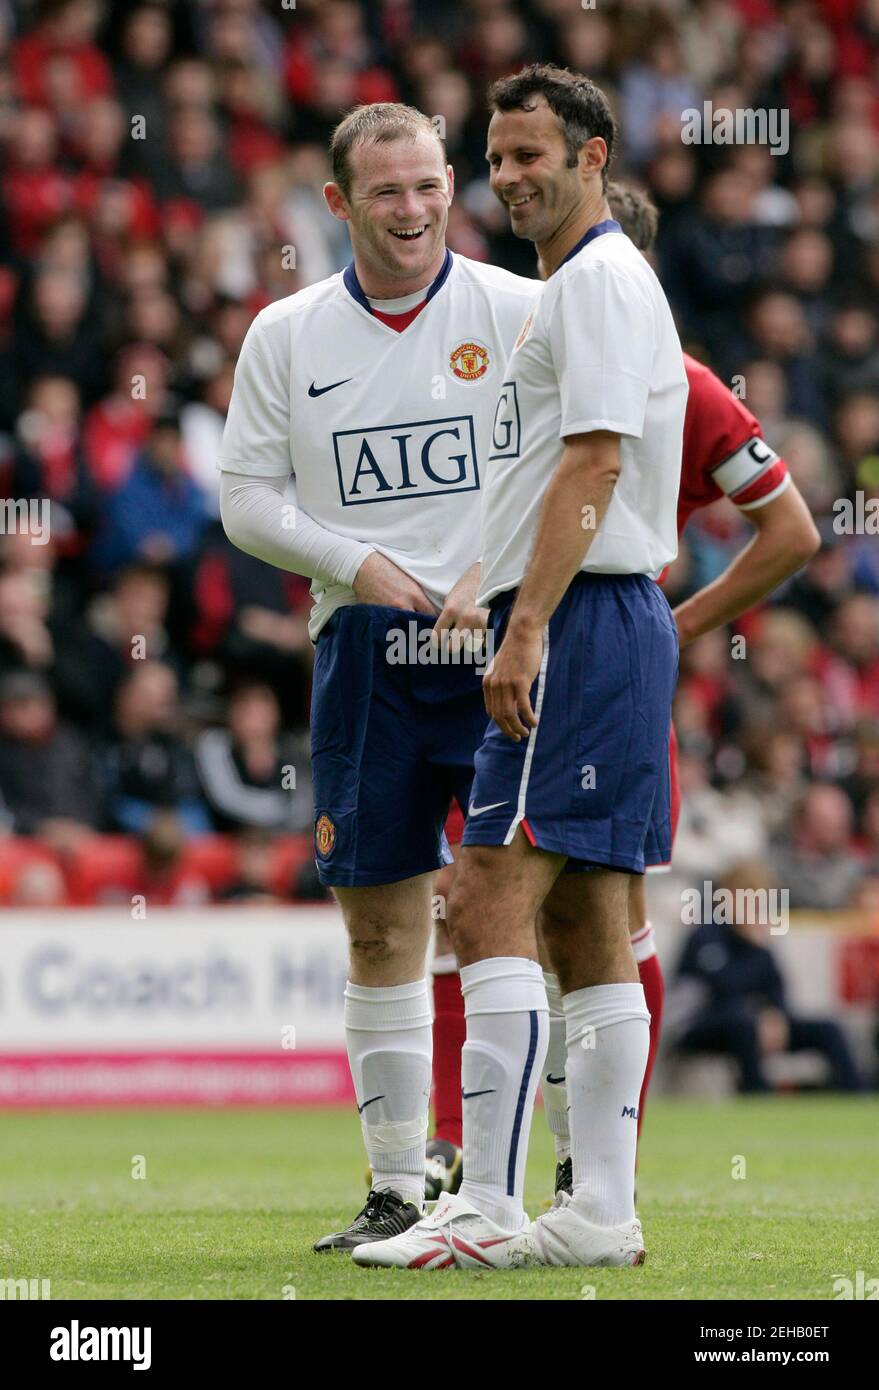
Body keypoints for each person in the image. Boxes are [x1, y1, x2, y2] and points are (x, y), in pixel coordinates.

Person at [425, 179, 821, 1202]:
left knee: (540, 905)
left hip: (594, 640)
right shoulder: (548, 359)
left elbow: (793, 530)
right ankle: (582, 1184)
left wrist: (680, 623)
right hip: (577, 634)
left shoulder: (672, 375)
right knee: (550, 913)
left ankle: (538, 1181)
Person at [355, 63, 688, 1271]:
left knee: (485, 892)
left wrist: (528, 621)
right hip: (607, 611)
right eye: (494, 159)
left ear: (594, 154)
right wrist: (487, 580)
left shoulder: (596, 282)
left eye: (531, 155)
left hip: (585, 618)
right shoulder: (587, 286)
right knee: (595, 919)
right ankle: (600, 1211)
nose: (508, 179)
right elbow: (559, 466)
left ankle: (486, 1208)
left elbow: (594, 464)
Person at [218, 102, 537, 1252]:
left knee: (530, 909)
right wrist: (364, 565)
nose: (414, 211)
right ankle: (399, 1185)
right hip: (365, 646)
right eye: (387, 192)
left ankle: (529, 1183)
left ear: (455, 186)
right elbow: (246, 497)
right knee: (380, 927)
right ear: (340, 203)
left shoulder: (519, 310)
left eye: (431, 186)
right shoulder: (287, 334)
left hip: (509, 640)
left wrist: (493, 575)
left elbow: (583, 463)